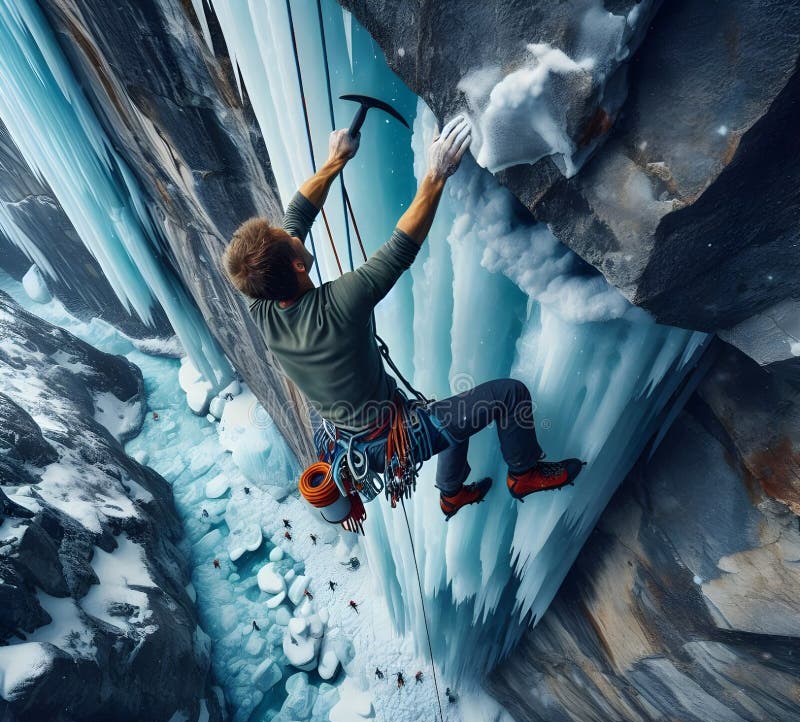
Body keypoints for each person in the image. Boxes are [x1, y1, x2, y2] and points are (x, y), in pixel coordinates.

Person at [223, 118, 582, 521]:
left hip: (335, 436)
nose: (291, 233)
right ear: (297, 265)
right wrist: (436, 174)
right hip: (388, 441)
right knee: (508, 396)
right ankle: (524, 472)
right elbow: (400, 247)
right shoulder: (342, 301)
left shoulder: (259, 297)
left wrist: (335, 160)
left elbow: (297, 214)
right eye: (288, 240)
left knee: (450, 421)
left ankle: (450, 494)